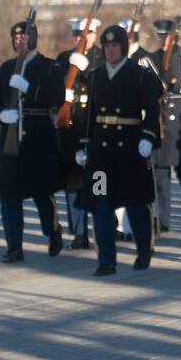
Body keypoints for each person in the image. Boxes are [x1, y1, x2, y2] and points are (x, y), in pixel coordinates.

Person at [75, 25, 164, 275]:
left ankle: (144, 250)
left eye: (115, 46)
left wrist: (148, 137)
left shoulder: (140, 74)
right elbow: (87, 115)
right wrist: (82, 145)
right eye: (107, 46)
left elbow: (152, 109)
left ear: (123, 47)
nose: (111, 50)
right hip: (100, 153)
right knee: (100, 205)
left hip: (129, 150)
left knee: (135, 204)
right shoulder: (95, 76)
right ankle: (106, 260)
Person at [0, 19, 65, 262]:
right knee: (9, 193)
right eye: (15, 38)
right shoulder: (6, 68)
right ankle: (14, 246)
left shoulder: (49, 66)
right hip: (11, 137)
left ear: (33, 39)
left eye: (23, 37)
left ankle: (53, 230)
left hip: (39, 137)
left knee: (42, 192)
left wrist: (28, 88)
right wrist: (1, 114)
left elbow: (57, 98)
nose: (18, 41)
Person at [56, 18, 102, 251]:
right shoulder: (64, 58)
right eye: (76, 34)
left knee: (99, 183)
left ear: (94, 35)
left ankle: (104, 228)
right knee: (73, 184)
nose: (80, 38)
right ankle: (79, 234)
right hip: (71, 130)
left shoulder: (102, 58)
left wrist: (86, 72)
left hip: (94, 129)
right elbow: (55, 87)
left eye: (85, 34)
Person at [149, 18, 181, 230]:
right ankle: (163, 220)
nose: (163, 41)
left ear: (174, 36)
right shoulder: (152, 58)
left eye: (166, 37)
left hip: (179, 121)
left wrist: (173, 80)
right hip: (160, 120)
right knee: (161, 174)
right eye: (160, 37)